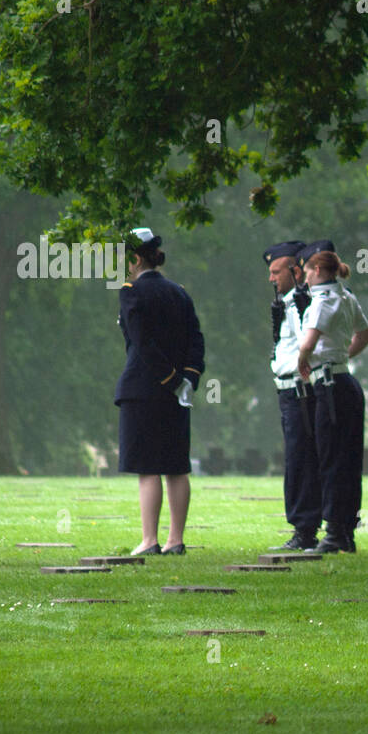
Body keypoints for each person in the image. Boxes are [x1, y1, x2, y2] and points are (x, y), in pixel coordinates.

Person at [114, 227, 205, 556]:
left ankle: (150, 540)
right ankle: (175, 540)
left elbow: (142, 344)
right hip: (177, 392)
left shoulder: (132, 292)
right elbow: (196, 341)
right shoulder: (179, 293)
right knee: (176, 466)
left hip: (143, 389)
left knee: (148, 467)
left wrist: (167, 379)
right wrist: (187, 380)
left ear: (136, 259)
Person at [297, 247, 368, 554]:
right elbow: (365, 336)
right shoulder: (346, 297)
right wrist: (341, 357)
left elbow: (308, 342)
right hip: (345, 381)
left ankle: (334, 533)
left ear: (316, 270)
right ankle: (345, 532)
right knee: (348, 461)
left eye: (306, 271)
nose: (304, 276)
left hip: (328, 387)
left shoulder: (322, 300)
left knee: (330, 460)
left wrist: (304, 360)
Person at [266, 240, 322, 551]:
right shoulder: (287, 301)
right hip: (288, 389)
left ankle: (306, 529)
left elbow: (305, 343)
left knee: (302, 460)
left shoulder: (303, 300)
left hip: (301, 390)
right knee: (298, 459)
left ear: (295, 270)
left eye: (276, 271)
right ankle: (306, 526)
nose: (271, 278)